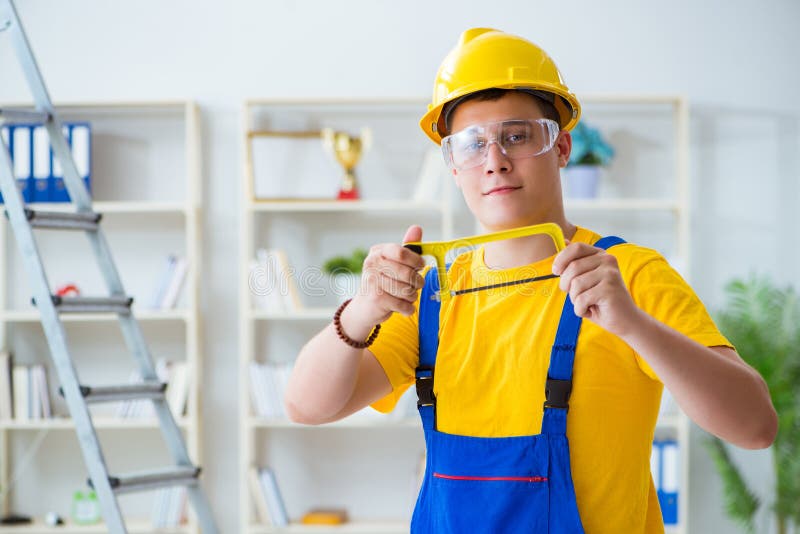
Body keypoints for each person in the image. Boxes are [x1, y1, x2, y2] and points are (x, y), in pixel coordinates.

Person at [285, 28, 777, 533]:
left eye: (518, 136)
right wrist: (363, 310)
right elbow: (305, 406)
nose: (495, 159)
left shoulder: (629, 276)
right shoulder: (433, 297)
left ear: (561, 146)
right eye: (472, 145)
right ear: (453, 167)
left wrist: (633, 325)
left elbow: (755, 426)